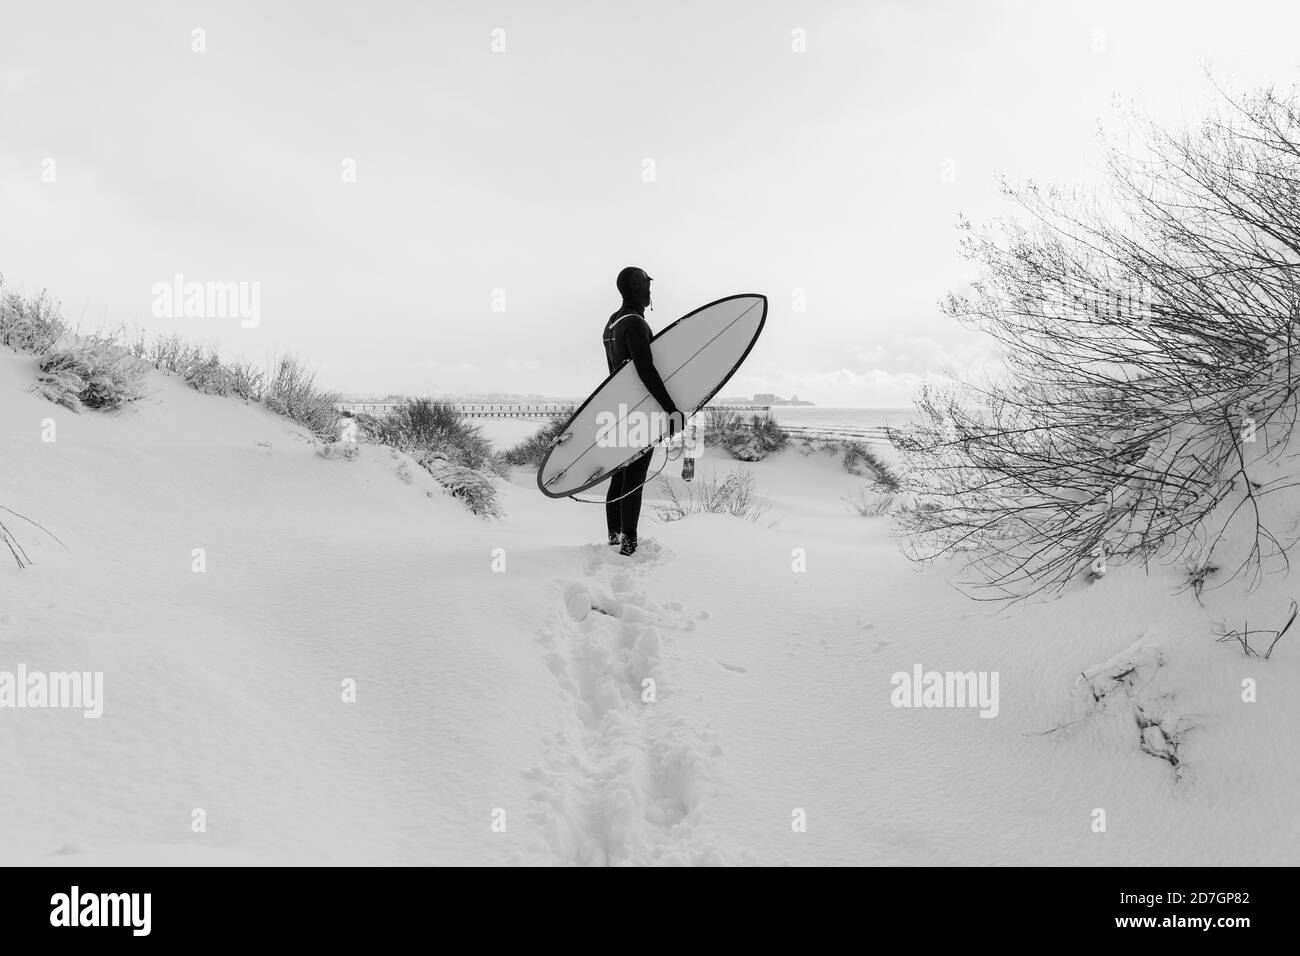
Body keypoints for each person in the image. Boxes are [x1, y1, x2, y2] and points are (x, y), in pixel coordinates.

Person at [602, 266, 682, 556]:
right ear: (636, 288)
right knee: (633, 479)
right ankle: (629, 545)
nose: (650, 292)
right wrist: (671, 409)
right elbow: (645, 370)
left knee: (619, 476)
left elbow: (615, 374)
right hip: (640, 413)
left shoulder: (611, 324)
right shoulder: (635, 323)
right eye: (647, 286)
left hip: (619, 410)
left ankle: (614, 537)